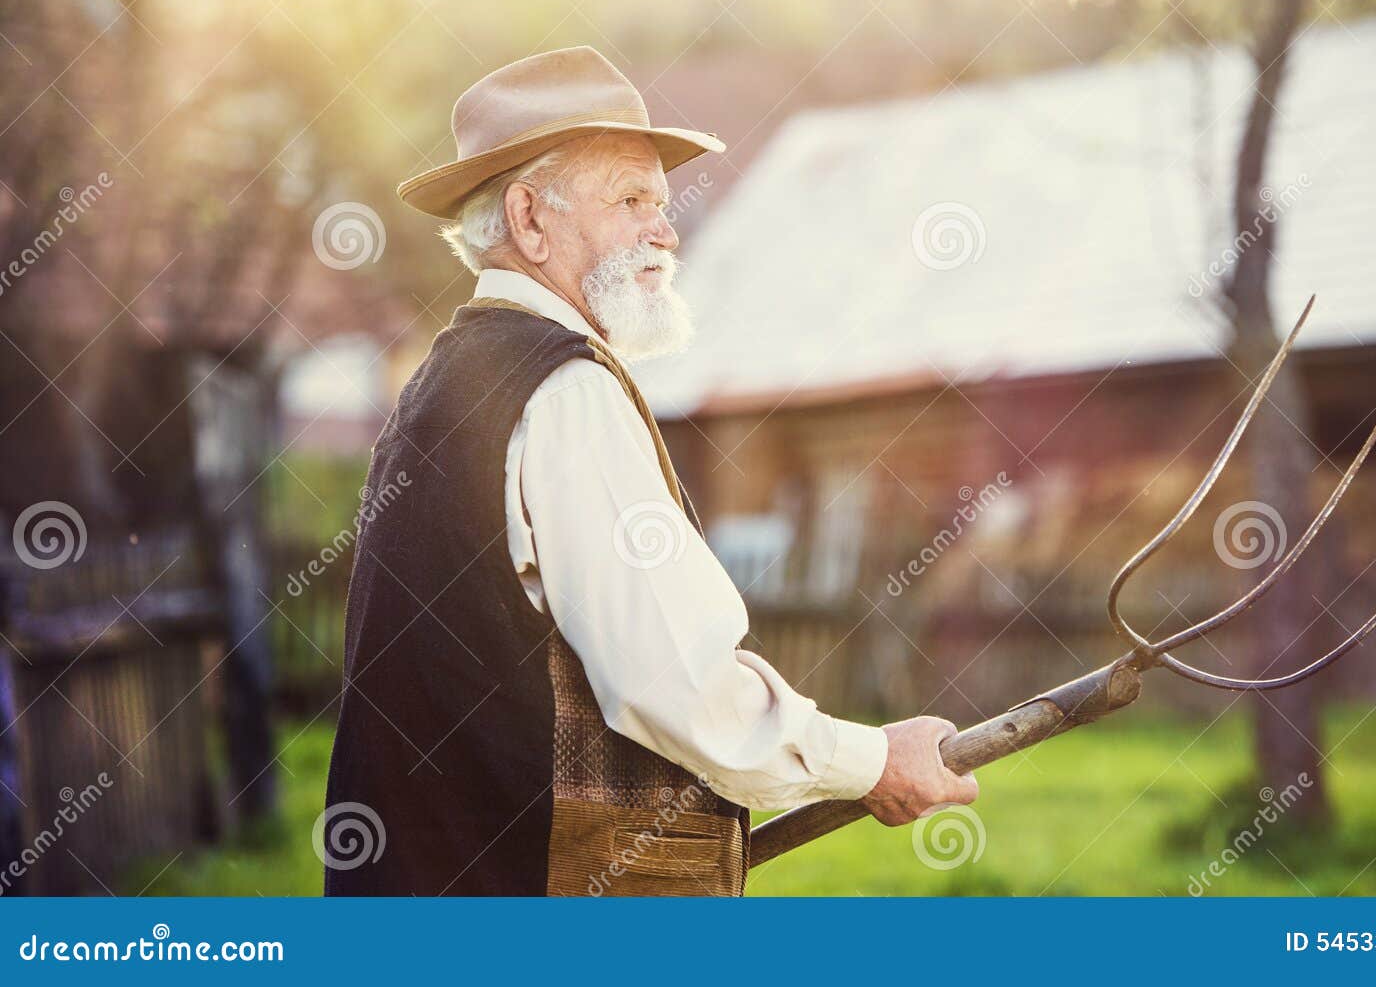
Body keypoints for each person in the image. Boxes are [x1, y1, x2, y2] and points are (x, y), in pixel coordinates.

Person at [323, 46, 976, 896]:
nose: (666, 230)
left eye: (662, 205)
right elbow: (676, 681)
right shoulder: (562, 390)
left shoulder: (449, 381)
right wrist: (872, 757)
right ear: (528, 219)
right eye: (632, 199)